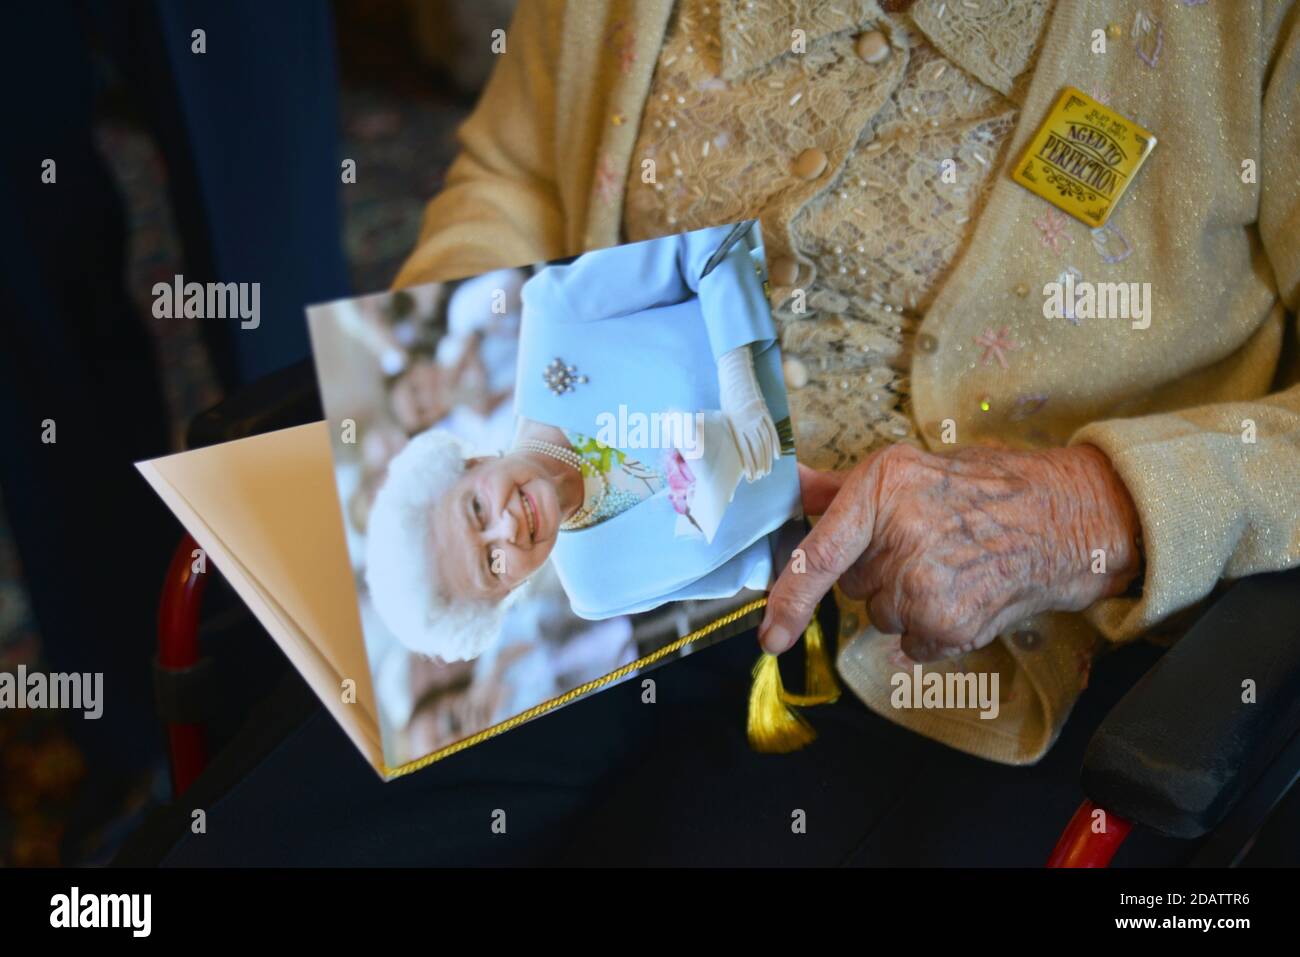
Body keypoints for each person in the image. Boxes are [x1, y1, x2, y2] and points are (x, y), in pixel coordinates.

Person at [364, 225, 801, 661]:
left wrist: (735, 370)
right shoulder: (596, 590)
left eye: (477, 511)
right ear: (506, 594)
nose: (507, 529)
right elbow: (764, 561)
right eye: (492, 564)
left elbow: (704, 243)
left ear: (472, 462)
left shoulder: (554, 317)